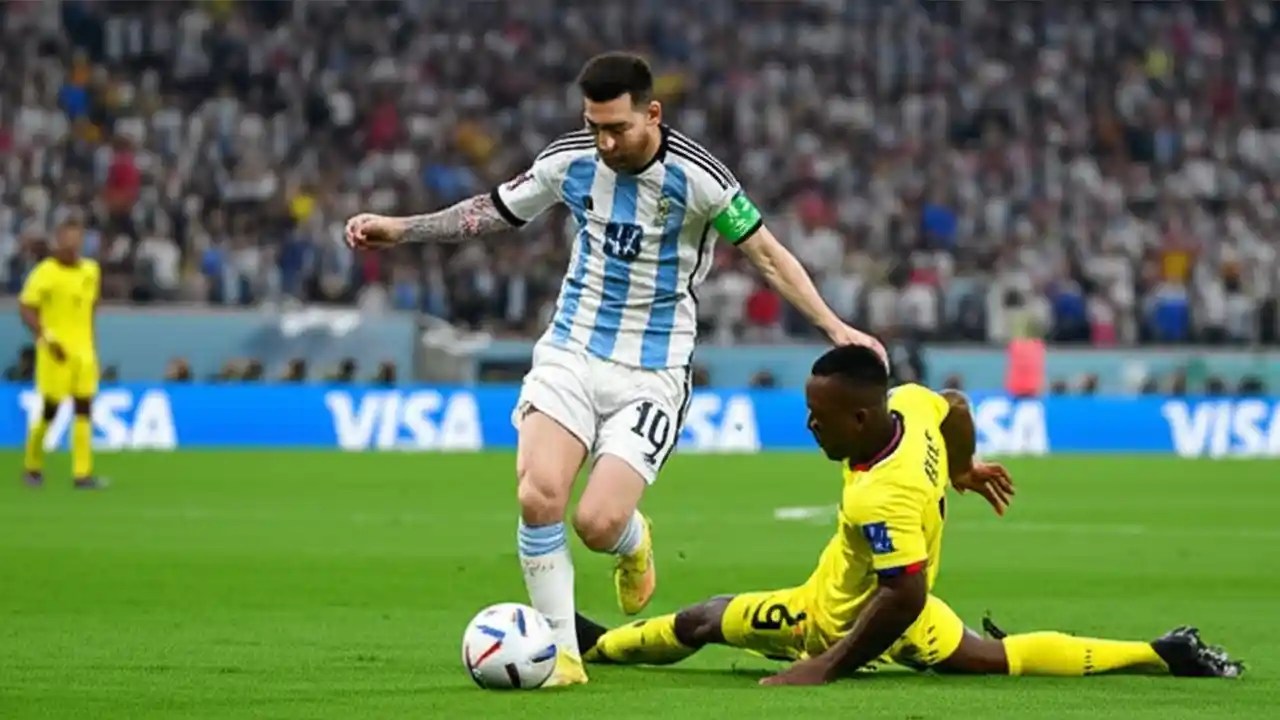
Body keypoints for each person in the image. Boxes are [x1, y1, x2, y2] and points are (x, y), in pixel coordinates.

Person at [344, 52, 884, 686]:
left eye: (617, 128)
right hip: (571, 351)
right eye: (593, 125)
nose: (604, 142)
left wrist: (835, 327)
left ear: (652, 114)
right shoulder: (568, 161)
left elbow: (766, 255)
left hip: (652, 372)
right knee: (537, 494)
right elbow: (491, 211)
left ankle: (633, 541)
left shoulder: (702, 179)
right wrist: (400, 230)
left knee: (596, 523)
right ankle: (562, 656)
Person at [574, 345, 1244, 684]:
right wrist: (961, 467)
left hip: (839, 621)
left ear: (861, 418)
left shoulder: (879, 494)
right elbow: (953, 402)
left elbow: (902, 596)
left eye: (819, 417)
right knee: (999, 658)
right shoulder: (911, 405)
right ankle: (1160, 652)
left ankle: (600, 645)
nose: (809, 425)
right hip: (896, 613)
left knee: (705, 618)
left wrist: (825, 665)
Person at [18, 218, 106, 490]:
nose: (73, 243)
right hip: (55, 351)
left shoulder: (91, 271)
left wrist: (92, 346)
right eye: (68, 238)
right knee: (51, 410)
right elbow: (26, 308)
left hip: (83, 352)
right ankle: (32, 465)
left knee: (84, 408)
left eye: (77, 238)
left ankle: (82, 473)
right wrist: (44, 337)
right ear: (58, 240)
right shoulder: (45, 272)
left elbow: (90, 309)